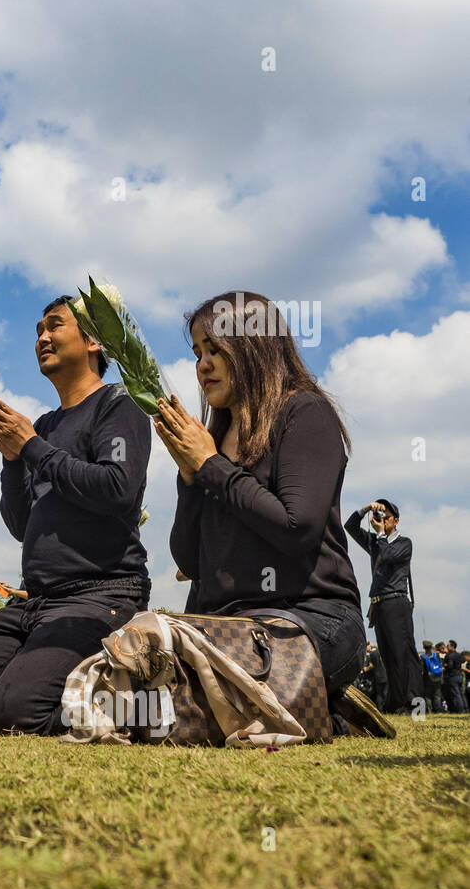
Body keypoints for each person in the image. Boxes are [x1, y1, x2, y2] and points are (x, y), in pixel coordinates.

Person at [155, 291, 374, 735]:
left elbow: (297, 528)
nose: (203, 364)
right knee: (141, 670)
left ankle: (322, 709)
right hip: (226, 628)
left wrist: (211, 467)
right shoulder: (213, 438)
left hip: (311, 617)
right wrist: (190, 480)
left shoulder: (304, 413)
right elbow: (189, 562)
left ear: (254, 346)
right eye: (198, 352)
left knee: (189, 706)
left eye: (216, 349)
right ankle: (314, 706)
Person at [0, 295, 151, 735]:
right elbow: (19, 524)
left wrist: (30, 447)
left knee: (15, 713)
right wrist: (12, 459)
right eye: (37, 331)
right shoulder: (46, 426)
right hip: (34, 601)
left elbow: (118, 489)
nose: (42, 337)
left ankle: (138, 708)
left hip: (99, 596)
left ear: (94, 342)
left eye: (54, 325)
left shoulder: (119, 404)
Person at [344, 499, 423, 714]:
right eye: (379, 516)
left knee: (402, 653)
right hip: (379, 604)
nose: (381, 520)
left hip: (396, 601)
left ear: (396, 521)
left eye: (385, 516)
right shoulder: (375, 542)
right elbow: (349, 526)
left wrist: (379, 535)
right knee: (387, 655)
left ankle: (413, 703)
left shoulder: (404, 543)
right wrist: (366, 509)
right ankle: (395, 703)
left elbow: (387, 555)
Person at [360, 642, 388, 711]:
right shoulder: (379, 652)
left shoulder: (372, 654)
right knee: (385, 693)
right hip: (385, 675)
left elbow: (369, 667)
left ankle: (380, 709)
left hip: (377, 676)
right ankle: (385, 708)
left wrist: (369, 666)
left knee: (379, 694)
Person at [442, 639, 467, 713]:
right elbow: (462, 661)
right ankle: (465, 707)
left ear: (452, 646)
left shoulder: (449, 656)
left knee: (456, 694)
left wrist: (444, 666)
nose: (446, 647)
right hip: (459, 676)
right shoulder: (458, 655)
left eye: (448, 645)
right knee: (461, 693)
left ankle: (460, 709)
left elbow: (449, 666)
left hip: (452, 676)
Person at [420, 641, 443, 713]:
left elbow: (422, 668)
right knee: (437, 695)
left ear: (424, 647)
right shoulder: (436, 655)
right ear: (431, 647)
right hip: (438, 677)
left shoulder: (422, 657)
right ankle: (438, 710)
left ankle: (429, 710)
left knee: (428, 695)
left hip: (427, 678)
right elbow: (439, 665)